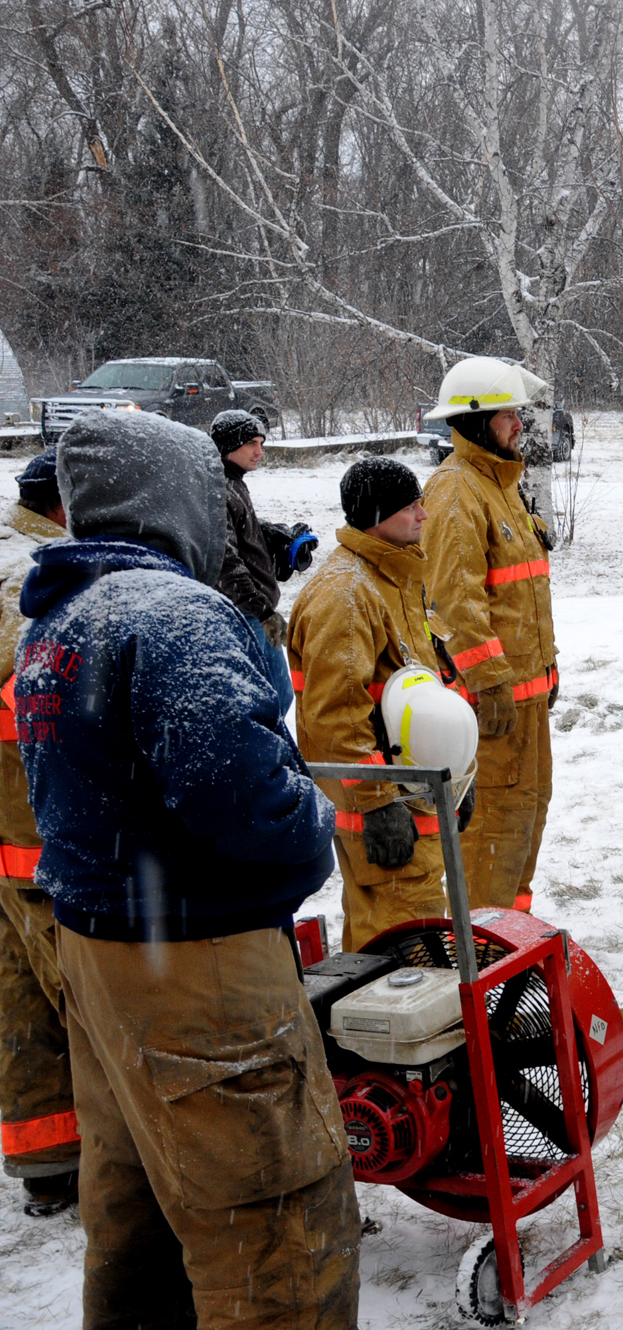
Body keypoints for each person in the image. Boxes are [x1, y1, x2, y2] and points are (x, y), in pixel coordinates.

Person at [19, 408, 356, 1327]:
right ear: (173, 500)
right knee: (279, 1233)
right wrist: (316, 821)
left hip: (100, 955)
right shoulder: (176, 618)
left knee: (139, 1217)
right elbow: (245, 797)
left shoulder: (58, 617)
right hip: (200, 972)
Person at [289, 457, 471, 951]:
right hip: (388, 813)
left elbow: (420, 687)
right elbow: (335, 719)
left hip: (415, 802)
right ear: (376, 515)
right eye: (411, 506)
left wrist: (455, 778)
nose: (423, 515)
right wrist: (376, 804)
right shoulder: (346, 596)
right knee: (403, 946)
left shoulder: (393, 578)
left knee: (400, 932)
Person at [423, 356, 559, 910]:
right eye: (508, 416)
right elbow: (456, 601)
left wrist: (547, 666)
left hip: (526, 699)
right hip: (492, 704)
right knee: (494, 825)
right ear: (479, 421)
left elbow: (521, 593)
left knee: (527, 814)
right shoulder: (457, 491)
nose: (518, 426)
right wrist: (489, 680)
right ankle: (480, 947)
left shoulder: (502, 486)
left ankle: (510, 938)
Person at [0, 452, 75, 1216]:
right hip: (35, 835)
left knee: (20, 1001)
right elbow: (40, 698)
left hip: (9, 838)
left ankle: (46, 1159)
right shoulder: (31, 580)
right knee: (80, 995)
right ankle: (119, 1151)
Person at [211, 408, 294, 718]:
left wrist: (270, 537)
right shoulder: (220, 489)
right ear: (230, 445)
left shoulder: (233, 483)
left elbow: (240, 538)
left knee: (278, 699)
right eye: (252, 444)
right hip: (247, 615)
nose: (260, 452)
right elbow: (225, 562)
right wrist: (263, 612)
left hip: (258, 612)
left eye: (262, 443)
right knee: (268, 702)